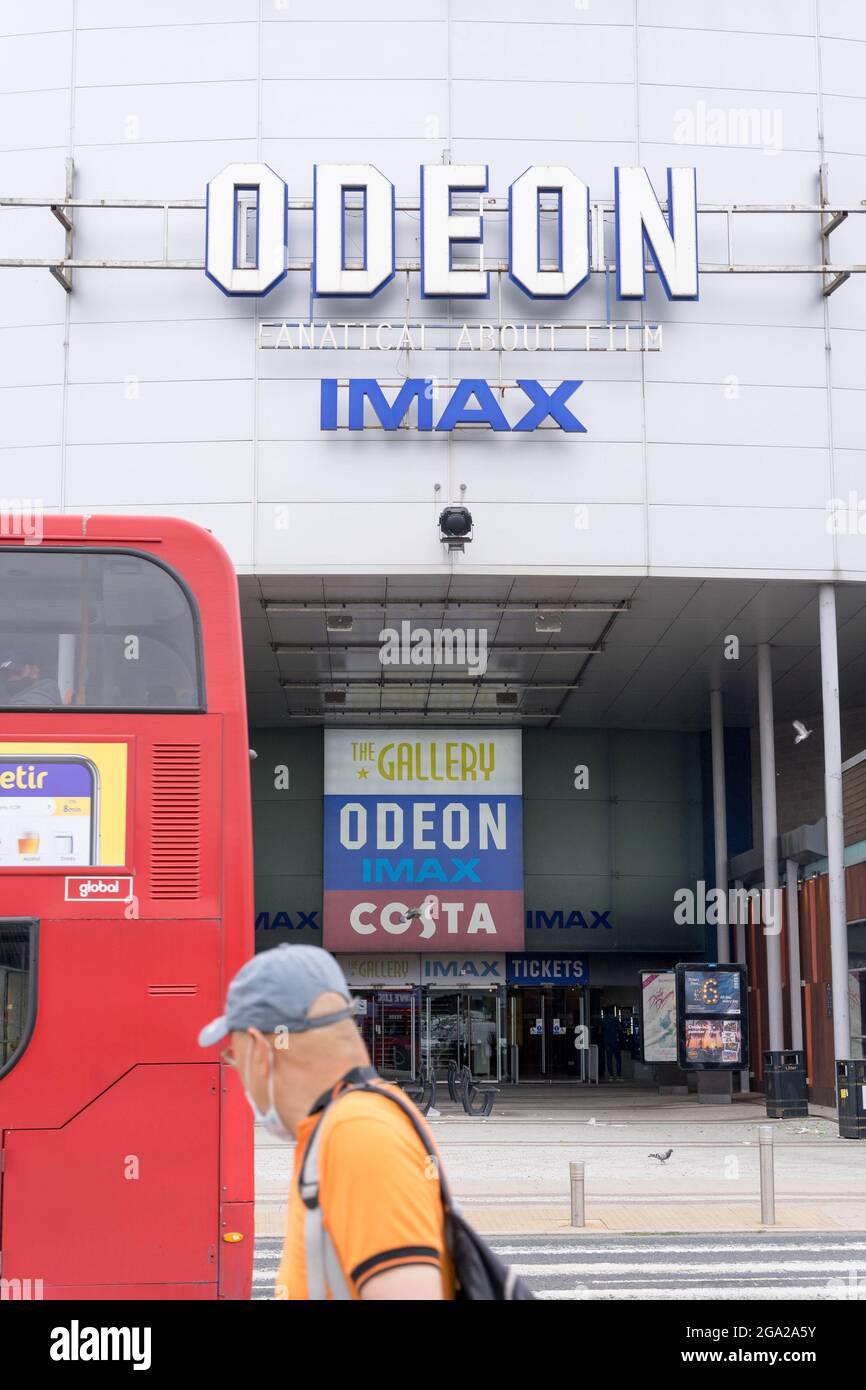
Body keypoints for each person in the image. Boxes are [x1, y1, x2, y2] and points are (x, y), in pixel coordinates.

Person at [198, 944, 456, 1301]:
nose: (238, 1072)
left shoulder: (359, 1134)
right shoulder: (351, 1122)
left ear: (259, 1050)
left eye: (233, 1055)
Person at [601, 1009, 622, 1082]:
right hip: (615, 1042)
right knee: (618, 1059)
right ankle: (619, 1076)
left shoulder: (603, 1020)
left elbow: (600, 1030)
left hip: (607, 1042)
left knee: (609, 1059)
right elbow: (620, 1028)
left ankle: (611, 1076)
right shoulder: (616, 1020)